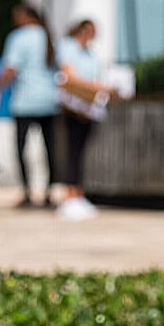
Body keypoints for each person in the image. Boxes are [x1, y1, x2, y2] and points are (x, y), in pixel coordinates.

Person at [0, 3, 59, 209]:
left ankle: (28, 192)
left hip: (25, 101)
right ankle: (49, 193)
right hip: (49, 101)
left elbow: (10, 70)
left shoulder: (18, 37)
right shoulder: (48, 36)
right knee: (50, 149)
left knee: (21, 148)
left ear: (25, 16)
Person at [54, 19, 110, 221]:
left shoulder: (92, 53)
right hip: (72, 107)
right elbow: (69, 76)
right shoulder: (68, 47)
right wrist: (93, 89)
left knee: (81, 151)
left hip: (89, 109)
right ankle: (70, 192)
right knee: (71, 150)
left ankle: (78, 192)